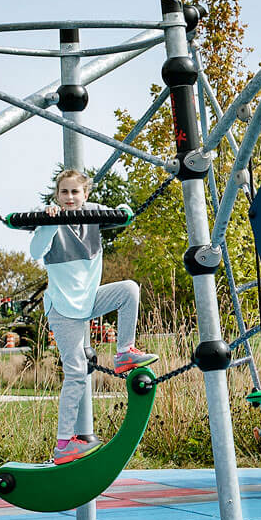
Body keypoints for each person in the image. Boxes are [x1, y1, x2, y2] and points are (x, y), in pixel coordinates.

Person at [30, 167, 155, 463]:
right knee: (75, 374)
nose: (69, 197)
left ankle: (124, 351)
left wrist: (124, 209)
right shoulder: (52, 217)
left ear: (85, 195)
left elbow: (122, 214)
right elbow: (36, 251)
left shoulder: (93, 213)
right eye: (64, 192)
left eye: (75, 192)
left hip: (88, 300)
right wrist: (48, 223)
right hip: (63, 310)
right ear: (56, 196)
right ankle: (63, 444)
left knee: (128, 290)